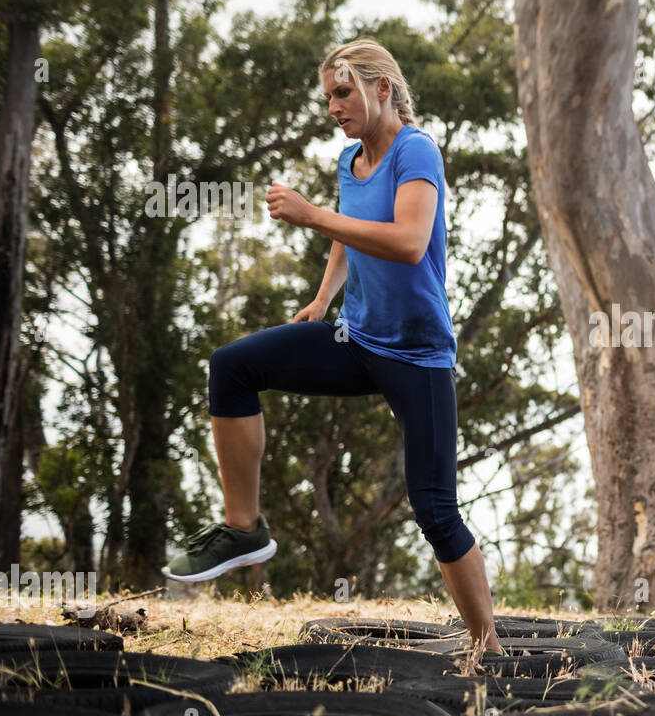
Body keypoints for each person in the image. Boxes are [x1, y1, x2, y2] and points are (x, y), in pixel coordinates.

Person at [163, 38, 502, 657]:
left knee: (435, 508)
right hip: (355, 336)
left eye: (342, 92)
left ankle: (487, 645)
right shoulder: (351, 162)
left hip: (417, 355)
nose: (333, 107)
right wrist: (324, 298)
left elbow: (404, 240)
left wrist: (312, 215)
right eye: (327, 97)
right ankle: (244, 529)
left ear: (381, 88)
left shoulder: (416, 150)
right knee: (232, 366)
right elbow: (350, 238)